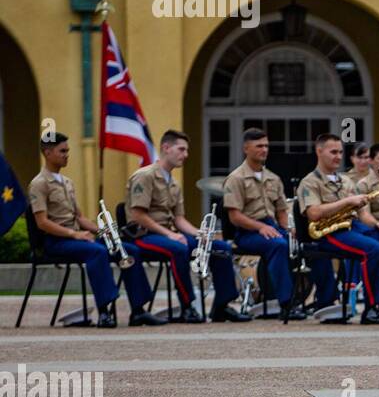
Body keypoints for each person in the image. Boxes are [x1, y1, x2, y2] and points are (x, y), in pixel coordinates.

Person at [27, 132, 161, 327]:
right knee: (97, 252)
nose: (66, 155)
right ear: (47, 153)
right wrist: (75, 234)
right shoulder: (38, 184)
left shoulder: (67, 182)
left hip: (76, 239)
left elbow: (79, 217)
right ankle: (105, 311)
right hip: (56, 241)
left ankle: (138, 310)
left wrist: (102, 231)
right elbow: (42, 222)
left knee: (130, 250)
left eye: (68, 151)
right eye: (62, 151)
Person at [128, 129, 250, 323]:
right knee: (179, 248)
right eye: (181, 149)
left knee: (220, 247)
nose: (185, 155)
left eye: (186, 150)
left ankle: (222, 305)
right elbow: (138, 215)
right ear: (166, 148)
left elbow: (179, 219)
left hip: (168, 234)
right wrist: (170, 235)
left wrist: (199, 234)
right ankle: (187, 306)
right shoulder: (145, 176)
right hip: (143, 236)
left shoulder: (174, 183)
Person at [298, 133, 379, 324]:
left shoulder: (345, 181)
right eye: (333, 152)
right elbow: (313, 213)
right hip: (329, 233)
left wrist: (376, 224)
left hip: (355, 227)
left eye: (340, 152)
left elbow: (363, 214)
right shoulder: (310, 182)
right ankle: (372, 309)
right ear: (319, 152)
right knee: (373, 249)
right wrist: (346, 201)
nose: (338, 156)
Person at [223, 128, 305, 321]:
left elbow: (281, 213)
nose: (264, 149)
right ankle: (286, 304)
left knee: (305, 244)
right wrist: (260, 227)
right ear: (246, 148)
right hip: (247, 232)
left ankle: (323, 301)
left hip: (271, 227)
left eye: (266, 145)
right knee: (278, 246)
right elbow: (234, 216)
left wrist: (290, 229)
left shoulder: (273, 178)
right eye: (259, 146)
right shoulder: (235, 179)